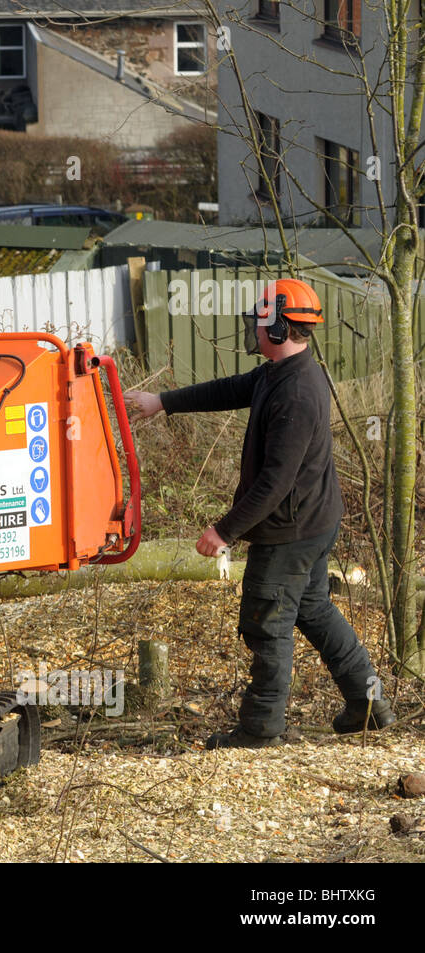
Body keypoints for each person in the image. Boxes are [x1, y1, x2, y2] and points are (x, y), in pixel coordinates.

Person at [124, 278, 394, 749]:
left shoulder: (297, 394)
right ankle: (370, 703)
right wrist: (162, 402)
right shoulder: (282, 371)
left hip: (291, 531)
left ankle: (260, 729)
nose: (252, 328)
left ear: (278, 325)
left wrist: (223, 530)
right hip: (314, 521)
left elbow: (275, 483)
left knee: (267, 621)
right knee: (313, 609)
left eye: (258, 321)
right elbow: (231, 389)